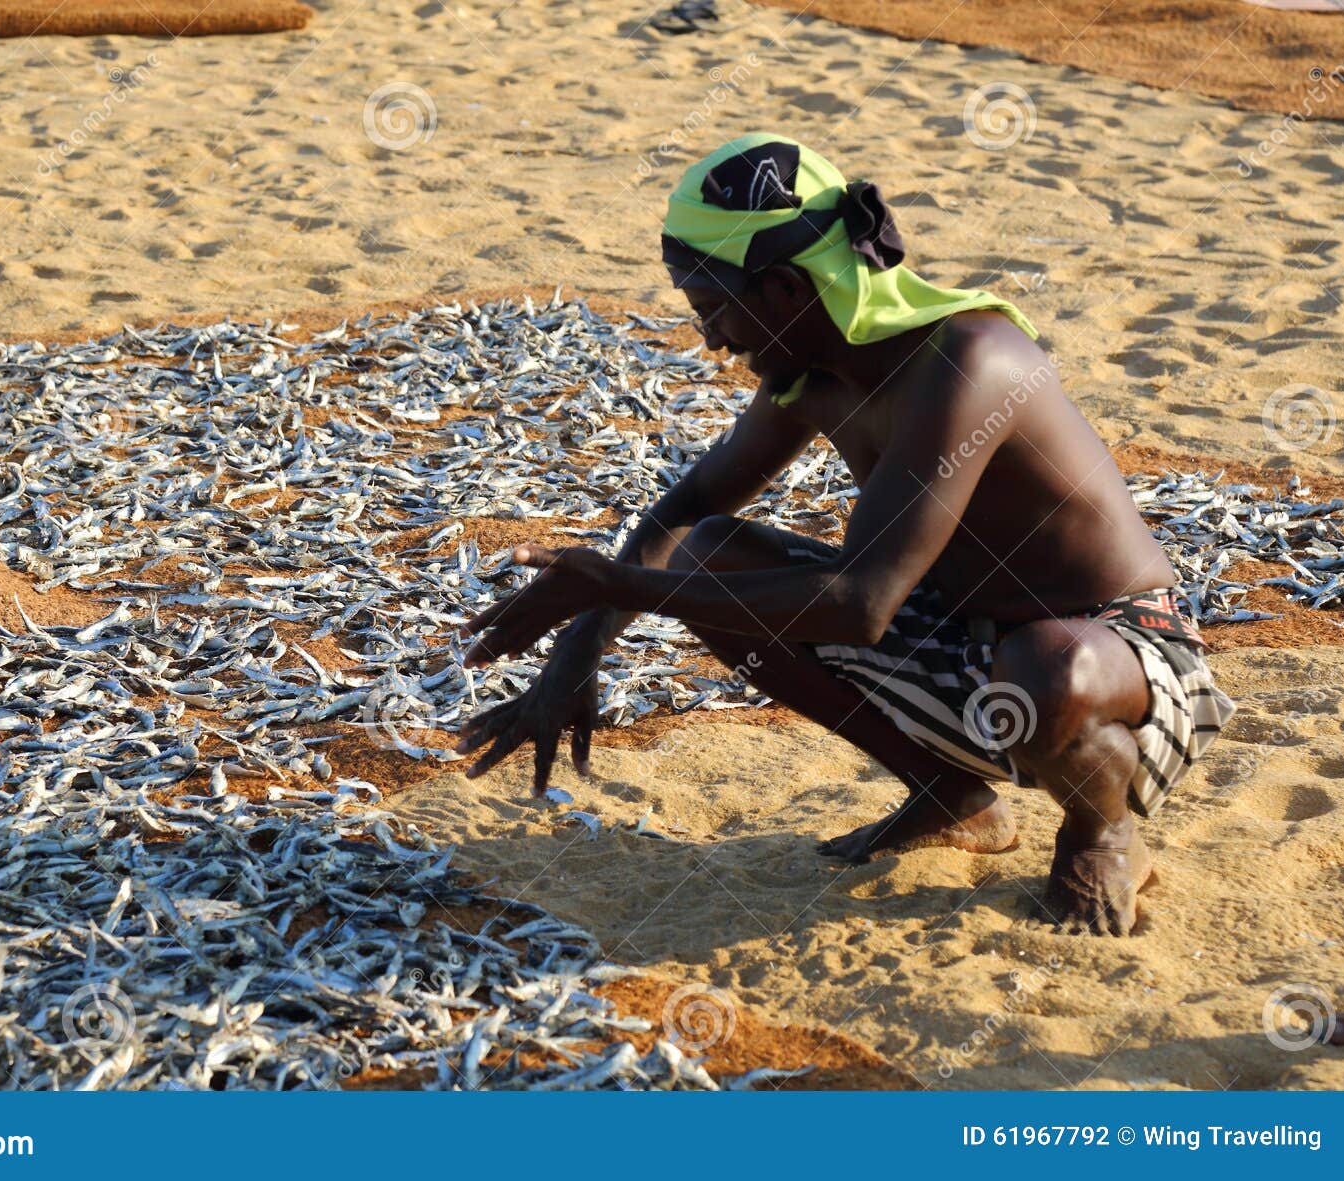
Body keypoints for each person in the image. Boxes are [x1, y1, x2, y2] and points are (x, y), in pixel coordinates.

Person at [456, 134, 1234, 936]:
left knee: (1043, 664)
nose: (714, 340)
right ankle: (947, 791)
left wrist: (619, 587)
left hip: (1118, 654)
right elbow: (686, 510)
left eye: (715, 308)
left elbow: (863, 605)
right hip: (965, 642)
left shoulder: (972, 359)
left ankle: (1100, 830)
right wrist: (578, 652)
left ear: (789, 288)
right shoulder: (809, 378)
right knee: (711, 559)